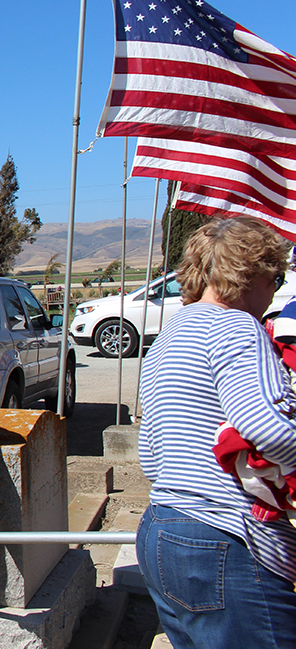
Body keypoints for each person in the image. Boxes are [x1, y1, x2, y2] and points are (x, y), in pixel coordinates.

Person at [136, 216, 296, 648]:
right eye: (276, 278)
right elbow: (266, 427)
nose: (274, 291)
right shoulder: (236, 326)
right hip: (227, 536)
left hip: (163, 529)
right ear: (253, 272)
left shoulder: (170, 334)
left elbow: (150, 454)